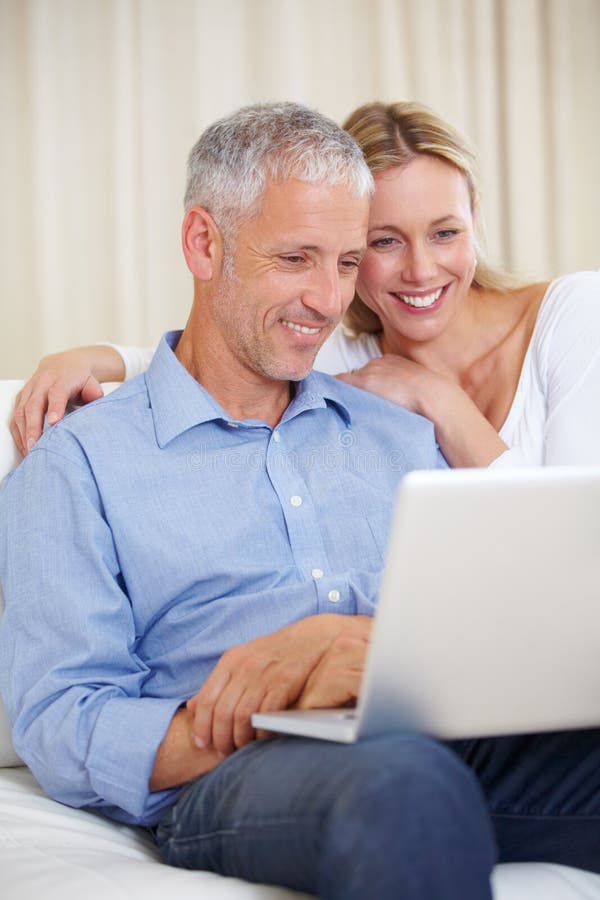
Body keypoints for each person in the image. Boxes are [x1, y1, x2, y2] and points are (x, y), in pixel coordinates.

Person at [4, 102, 600, 900]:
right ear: (203, 243)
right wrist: (261, 708)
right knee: (402, 786)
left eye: (350, 262)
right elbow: (61, 718)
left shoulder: (395, 430)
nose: (327, 298)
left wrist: (370, 650)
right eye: (296, 259)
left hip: (448, 743)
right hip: (246, 773)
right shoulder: (78, 464)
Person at [10, 102, 600, 467]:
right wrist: (87, 358)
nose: (421, 270)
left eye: (444, 233)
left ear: (475, 219)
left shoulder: (574, 316)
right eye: (383, 242)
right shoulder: (343, 356)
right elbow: (217, 359)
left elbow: (572, 537)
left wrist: (439, 401)